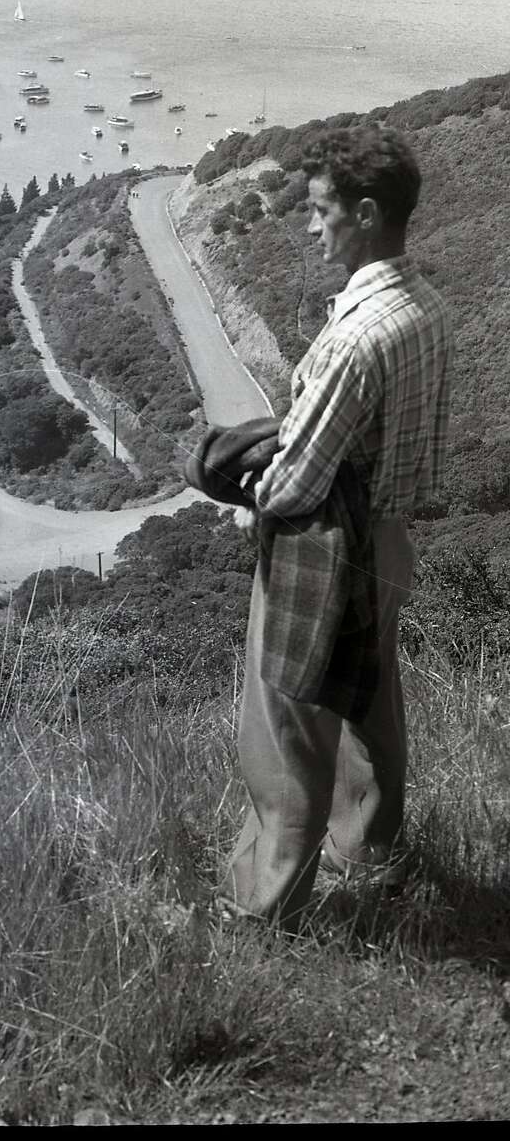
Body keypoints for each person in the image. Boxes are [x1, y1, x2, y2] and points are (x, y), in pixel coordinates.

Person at [220, 128, 451, 930]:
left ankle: (263, 909)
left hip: (321, 551)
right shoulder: (427, 307)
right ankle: (370, 855)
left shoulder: (355, 336)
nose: (311, 228)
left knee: (287, 733)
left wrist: (232, 471)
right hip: (389, 540)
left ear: (363, 212)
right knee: (371, 707)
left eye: (320, 212)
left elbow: (293, 484)